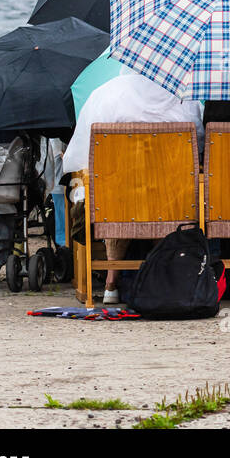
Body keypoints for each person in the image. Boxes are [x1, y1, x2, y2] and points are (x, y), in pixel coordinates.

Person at [62, 73, 203, 305]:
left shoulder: (105, 95)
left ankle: (111, 282)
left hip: (117, 201)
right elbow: (196, 145)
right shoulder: (186, 99)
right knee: (169, 192)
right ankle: (163, 276)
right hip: (170, 202)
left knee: (108, 191)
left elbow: (80, 157)